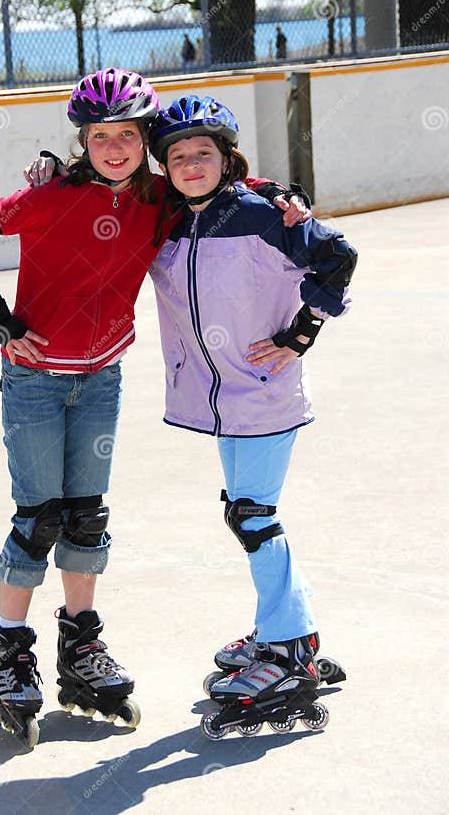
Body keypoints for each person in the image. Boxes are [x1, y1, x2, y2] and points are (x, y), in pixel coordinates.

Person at [0, 68, 308, 746]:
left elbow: (218, 187)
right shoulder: (51, 194)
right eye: (99, 136)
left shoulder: (157, 200)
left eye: (126, 135)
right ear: (83, 140)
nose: (114, 148)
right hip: (35, 379)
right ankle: (9, 654)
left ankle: (81, 650)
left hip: (101, 375)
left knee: (86, 516)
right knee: (38, 517)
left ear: (145, 137)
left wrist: (279, 193)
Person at [146, 95, 357, 739]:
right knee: (244, 512)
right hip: (218, 398)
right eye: (177, 156)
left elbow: (337, 256)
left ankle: (287, 650)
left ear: (225, 156)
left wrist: (301, 333)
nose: (190, 164)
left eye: (202, 153)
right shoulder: (171, 223)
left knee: (253, 515)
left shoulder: (265, 215)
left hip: (265, 389)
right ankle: (289, 630)